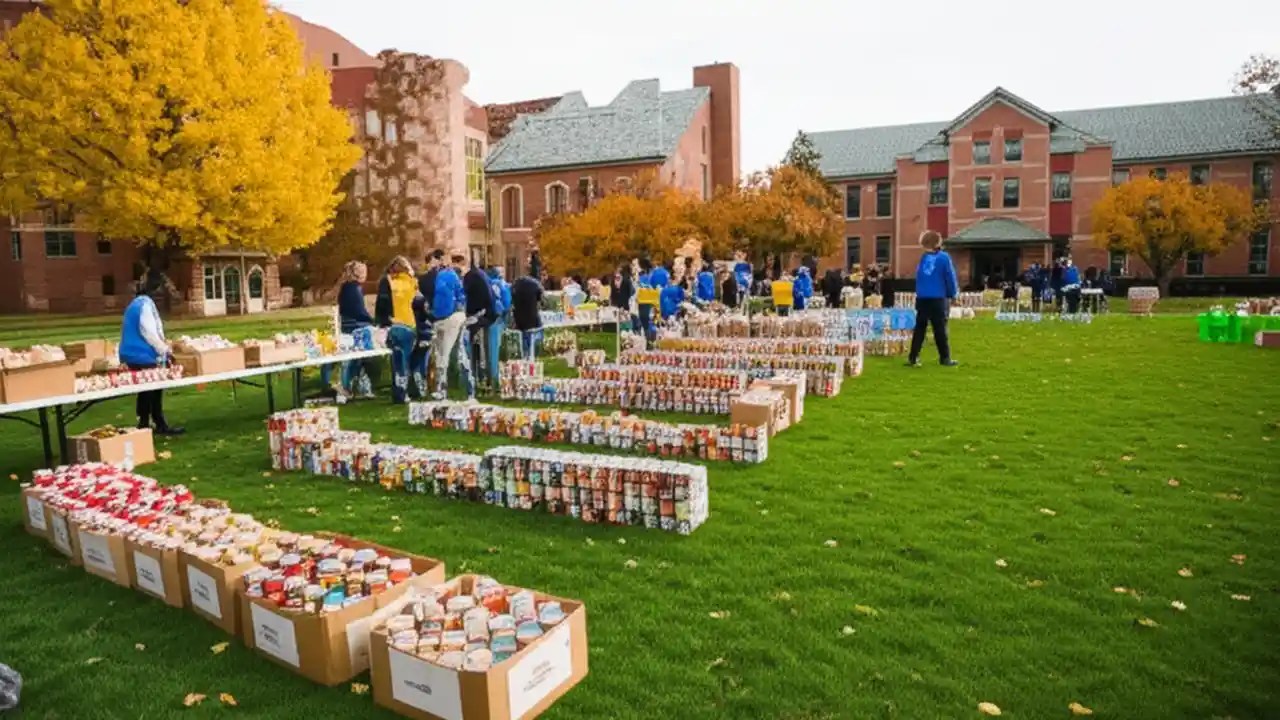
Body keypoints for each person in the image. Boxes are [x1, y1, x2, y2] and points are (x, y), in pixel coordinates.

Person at [119, 275, 184, 435]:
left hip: (130, 353)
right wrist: (165, 350)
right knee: (153, 388)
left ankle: (145, 422)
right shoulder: (145, 306)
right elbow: (149, 333)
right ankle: (157, 422)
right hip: (141, 354)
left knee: (146, 389)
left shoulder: (135, 304)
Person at [907, 230, 959, 367]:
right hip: (937, 298)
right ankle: (945, 358)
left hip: (922, 298)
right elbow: (949, 277)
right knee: (940, 329)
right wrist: (953, 294)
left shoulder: (923, 258)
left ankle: (913, 357)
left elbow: (919, 278)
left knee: (920, 328)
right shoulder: (944, 257)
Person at [374, 255, 421, 404]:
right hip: (410, 325)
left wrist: (382, 323)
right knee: (407, 361)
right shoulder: (412, 282)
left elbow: (381, 304)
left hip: (394, 325)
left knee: (397, 362)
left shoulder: (387, 281)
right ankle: (410, 391)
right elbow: (419, 304)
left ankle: (399, 393)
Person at [430, 254, 474, 400]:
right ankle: (468, 389)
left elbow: (438, 300)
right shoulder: (454, 277)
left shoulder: (440, 276)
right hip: (456, 317)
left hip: (443, 318)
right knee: (458, 353)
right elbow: (461, 297)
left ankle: (442, 389)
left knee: (443, 355)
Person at [336, 260, 374, 397]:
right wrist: (371, 320)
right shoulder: (354, 289)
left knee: (350, 359)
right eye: (363, 272)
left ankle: (351, 387)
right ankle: (351, 387)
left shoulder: (345, 287)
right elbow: (358, 310)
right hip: (355, 326)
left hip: (346, 325)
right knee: (357, 357)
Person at [463, 259, 495, 386]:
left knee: (479, 350)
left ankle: (481, 379)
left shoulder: (470, 277)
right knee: (482, 349)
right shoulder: (481, 275)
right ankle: (483, 379)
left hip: (479, 317)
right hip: (485, 316)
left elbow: (468, 296)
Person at [487, 267, 512, 387]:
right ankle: (496, 376)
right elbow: (507, 302)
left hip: (485, 318)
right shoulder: (502, 284)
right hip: (499, 318)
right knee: (496, 348)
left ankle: (487, 376)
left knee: (488, 349)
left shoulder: (486, 283)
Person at [511, 272, 544, 359]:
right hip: (532, 316)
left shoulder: (515, 286)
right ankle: (532, 353)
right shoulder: (535, 285)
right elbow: (540, 299)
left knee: (523, 335)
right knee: (535, 333)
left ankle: (524, 354)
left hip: (519, 317)